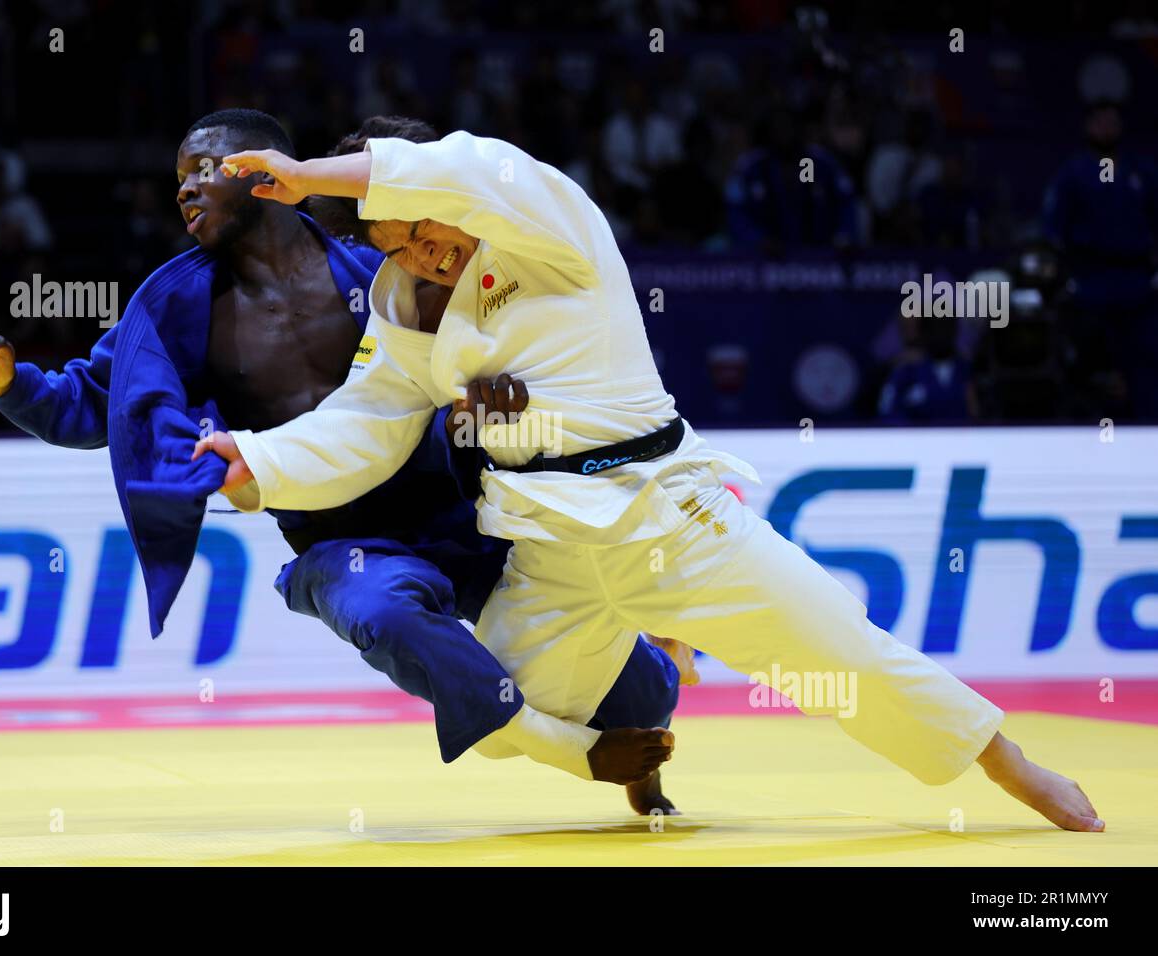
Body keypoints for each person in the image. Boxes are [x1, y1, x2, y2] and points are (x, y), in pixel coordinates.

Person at [197, 126, 1105, 832]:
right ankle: (656, 663)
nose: (426, 257)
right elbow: (367, 421)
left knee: (844, 656)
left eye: (427, 231)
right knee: (493, 704)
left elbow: (474, 165)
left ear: (442, 192)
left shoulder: (550, 223)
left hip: (669, 517)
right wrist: (260, 460)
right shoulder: (400, 311)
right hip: (545, 550)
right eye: (400, 245)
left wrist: (311, 175)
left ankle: (1010, 766)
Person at [0, 110, 684, 812]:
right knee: (386, 613)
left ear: (264, 172)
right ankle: (576, 756)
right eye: (178, 176)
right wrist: (10, 385)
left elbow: (501, 355)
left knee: (645, 700)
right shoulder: (175, 308)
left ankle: (639, 724)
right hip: (341, 549)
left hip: (465, 516)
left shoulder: (380, 275)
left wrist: (495, 401)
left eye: (205, 167)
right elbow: (94, 405)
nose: (186, 185)